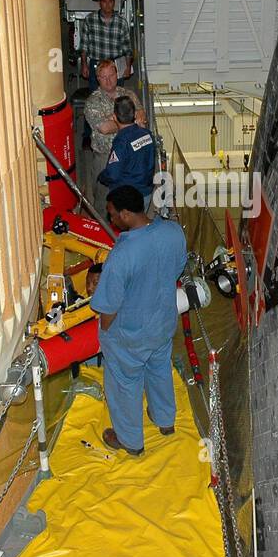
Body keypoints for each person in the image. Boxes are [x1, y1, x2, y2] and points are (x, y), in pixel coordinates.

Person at [88, 185, 187, 456]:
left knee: (124, 383)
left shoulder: (121, 256)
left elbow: (108, 305)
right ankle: (164, 420)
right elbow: (177, 268)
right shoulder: (172, 232)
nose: (111, 220)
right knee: (159, 369)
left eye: (112, 215)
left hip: (130, 334)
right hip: (163, 323)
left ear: (126, 214)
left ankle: (130, 440)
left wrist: (105, 333)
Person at [82, 60, 144, 208]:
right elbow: (104, 128)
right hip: (105, 157)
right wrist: (130, 120)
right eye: (103, 77)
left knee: (129, 198)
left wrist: (115, 120)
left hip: (130, 155)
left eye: (111, 75)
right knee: (103, 200)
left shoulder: (128, 94)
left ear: (117, 75)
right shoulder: (92, 102)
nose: (108, 80)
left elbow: (141, 113)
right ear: (98, 78)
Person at [97, 96, 157, 212]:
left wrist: (102, 176)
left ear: (114, 117)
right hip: (146, 192)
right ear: (135, 115)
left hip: (127, 197)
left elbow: (113, 174)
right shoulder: (147, 134)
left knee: (127, 227)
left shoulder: (121, 142)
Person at [78, 0, 133, 90]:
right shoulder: (90, 20)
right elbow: (84, 46)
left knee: (117, 98)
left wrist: (128, 67)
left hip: (116, 65)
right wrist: (84, 65)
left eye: (110, 1)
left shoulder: (122, 22)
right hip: (96, 64)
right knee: (96, 96)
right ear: (100, 3)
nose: (107, 4)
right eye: (104, 1)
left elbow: (127, 48)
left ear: (114, 2)